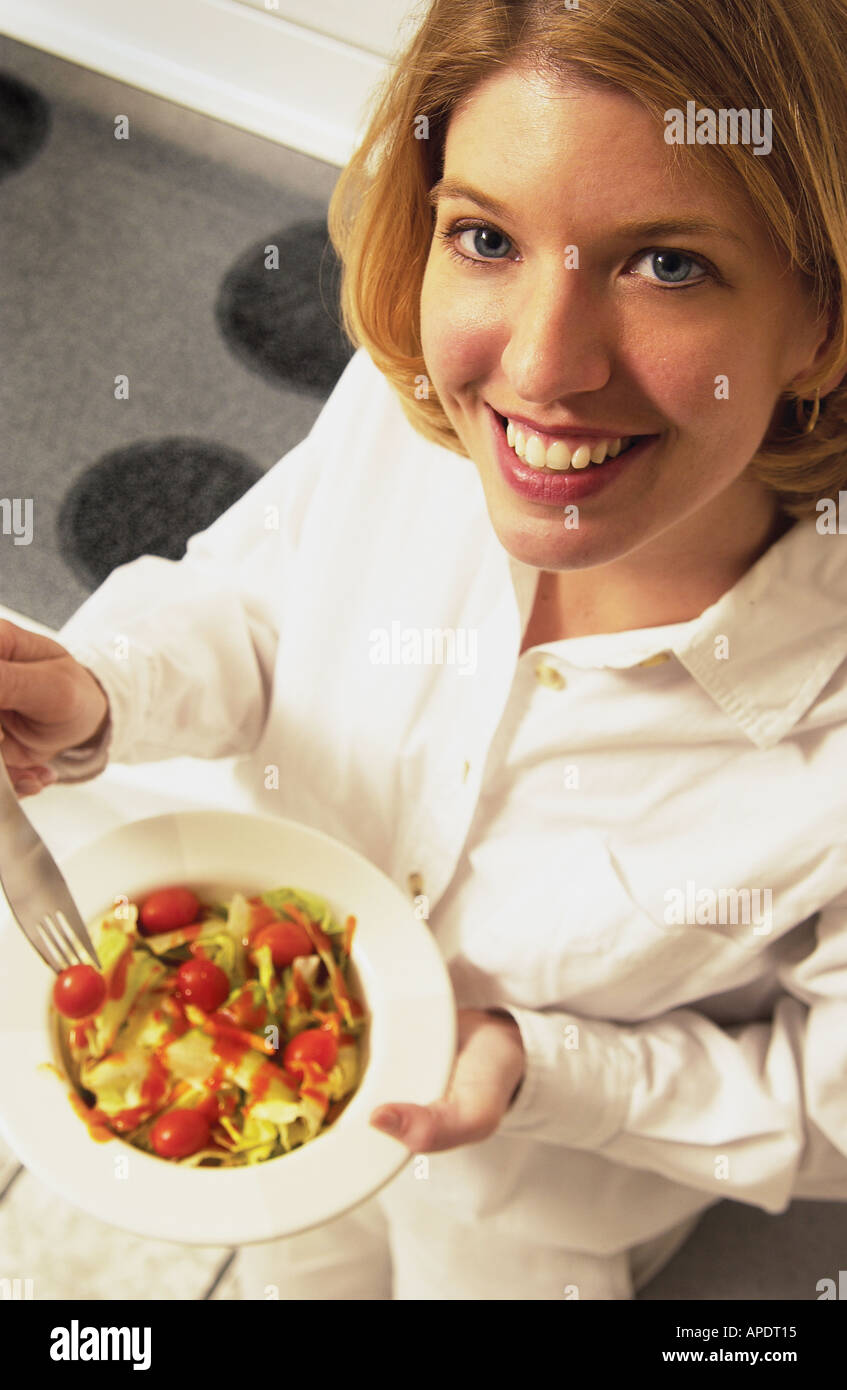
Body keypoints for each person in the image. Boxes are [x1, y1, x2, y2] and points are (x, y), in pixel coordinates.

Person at [2, 0, 847, 1300]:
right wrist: (99, 686)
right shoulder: (426, 417)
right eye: (488, 237)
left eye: (668, 263)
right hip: (279, 1090)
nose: (541, 366)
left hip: (533, 1206)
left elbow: (827, 1106)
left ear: (823, 318)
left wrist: (547, 1067)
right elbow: (260, 600)